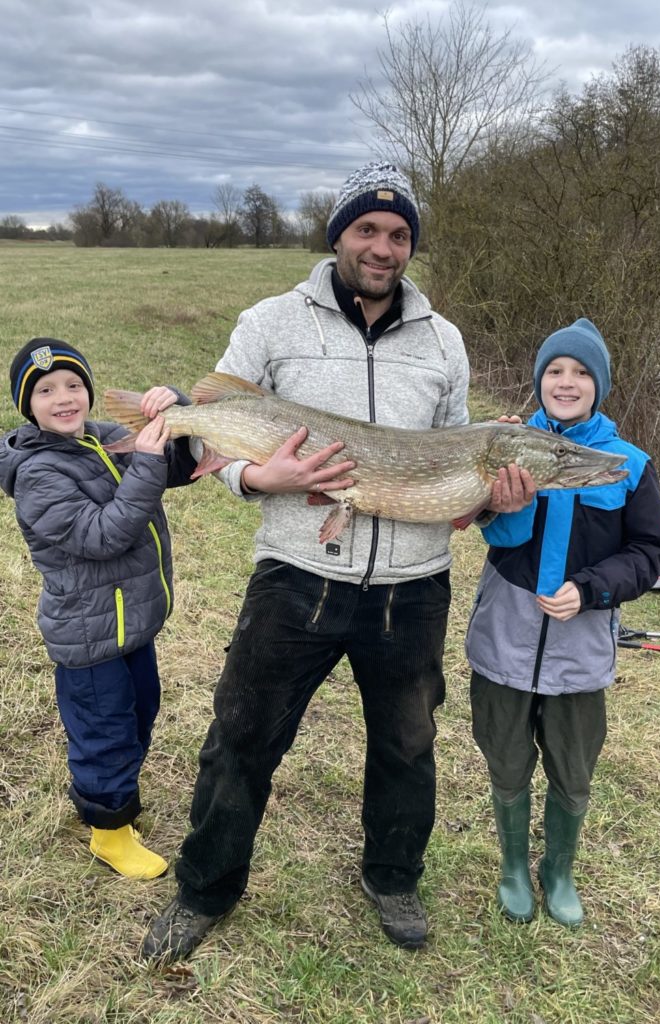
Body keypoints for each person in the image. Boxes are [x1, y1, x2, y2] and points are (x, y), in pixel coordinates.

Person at [141, 161, 533, 962]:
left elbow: (456, 467)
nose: (383, 247)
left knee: (407, 745)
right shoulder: (272, 323)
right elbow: (222, 436)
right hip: (296, 576)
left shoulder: (444, 341)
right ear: (339, 236)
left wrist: (497, 497)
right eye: (368, 230)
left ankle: (392, 876)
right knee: (241, 738)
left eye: (399, 235)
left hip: (410, 588)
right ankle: (203, 888)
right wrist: (259, 479)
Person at [465, 318, 660, 927]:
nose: (566, 381)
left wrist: (590, 590)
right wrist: (499, 503)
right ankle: (512, 867)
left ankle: (557, 870)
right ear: (539, 380)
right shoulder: (503, 443)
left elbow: (651, 553)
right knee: (504, 756)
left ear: (599, 385)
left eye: (581, 372)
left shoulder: (629, 463)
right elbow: (491, 531)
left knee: (573, 766)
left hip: (580, 645)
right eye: (555, 370)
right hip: (506, 631)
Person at [0, 338, 198, 879]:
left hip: (132, 622)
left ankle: (120, 800)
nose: (63, 398)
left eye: (73, 385)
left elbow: (178, 463)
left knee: (139, 714)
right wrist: (148, 463)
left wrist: (174, 412)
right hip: (88, 637)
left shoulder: (107, 438)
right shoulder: (37, 474)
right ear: (28, 406)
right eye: (44, 391)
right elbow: (102, 535)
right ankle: (109, 833)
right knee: (103, 730)